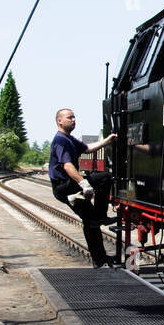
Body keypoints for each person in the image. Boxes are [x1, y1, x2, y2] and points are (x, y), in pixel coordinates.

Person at [48, 108, 118, 267]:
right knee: (105, 178)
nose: (73, 120)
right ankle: (101, 215)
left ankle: (99, 259)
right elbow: (67, 166)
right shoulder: (61, 140)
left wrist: (107, 140)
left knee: (90, 220)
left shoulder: (69, 139)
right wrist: (84, 184)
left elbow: (87, 148)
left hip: (66, 186)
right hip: (64, 186)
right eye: (69, 117)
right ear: (59, 121)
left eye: (74, 117)